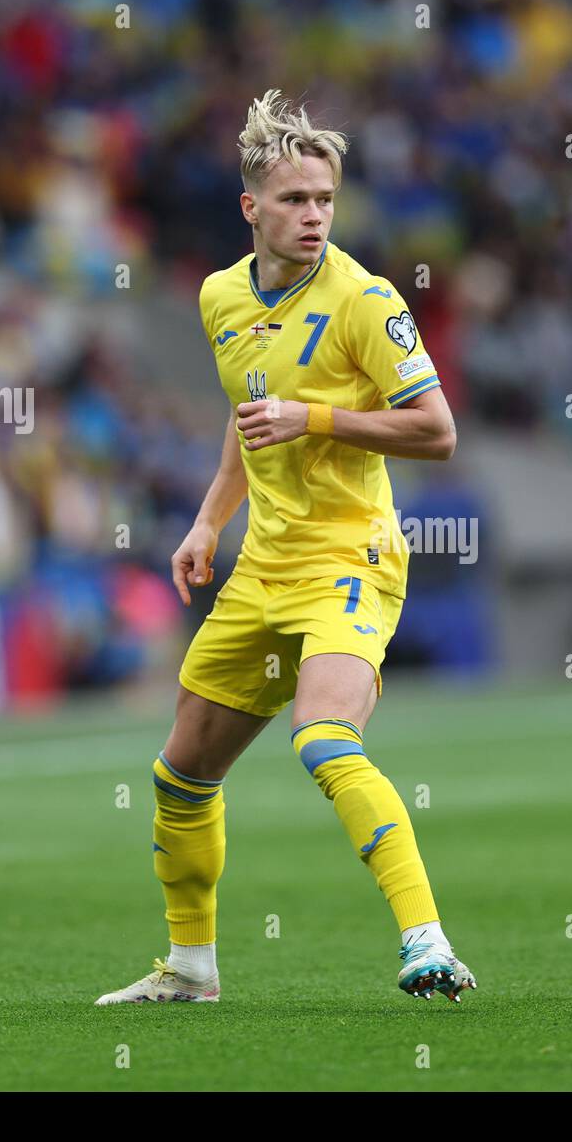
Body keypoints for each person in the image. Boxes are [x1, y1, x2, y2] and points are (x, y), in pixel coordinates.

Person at [96, 90, 476, 1005]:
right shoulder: (221, 296)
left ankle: (428, 943)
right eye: (295, 199)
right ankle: (190, 967)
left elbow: (437, 430)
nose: (313, 216)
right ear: (250, 208)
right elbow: (248, 415)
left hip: (353, 554)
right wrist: (207, 520)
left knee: (323, 733)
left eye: (325, 200)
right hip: (264, 561)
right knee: (182, 770)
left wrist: (318, 416)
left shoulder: (365, 300)